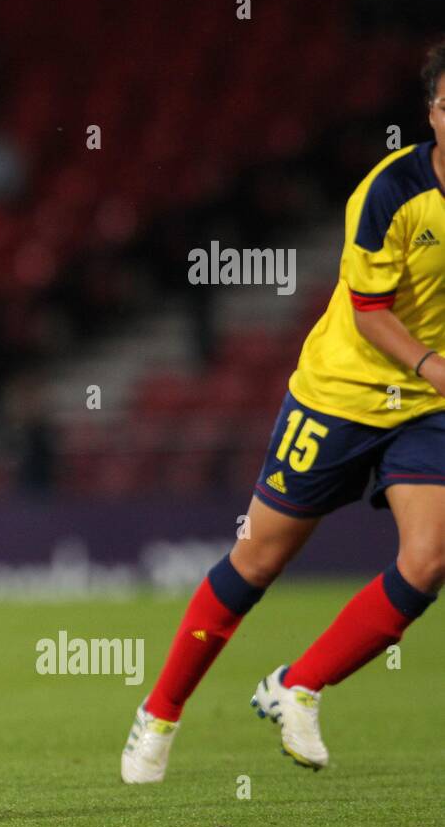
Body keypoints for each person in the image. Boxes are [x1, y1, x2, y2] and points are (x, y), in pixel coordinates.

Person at [123, 39, 445, 783]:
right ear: (430, 113)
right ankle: (160, 711)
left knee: (428, 560)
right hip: (340, 392)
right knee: (260, 557)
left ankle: (298, 683)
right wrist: (433, 364)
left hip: (425, 407)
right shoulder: (390, 192)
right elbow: (369, 313)